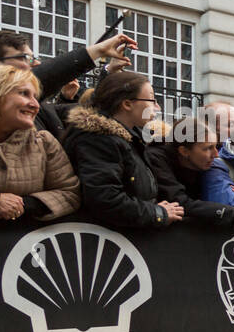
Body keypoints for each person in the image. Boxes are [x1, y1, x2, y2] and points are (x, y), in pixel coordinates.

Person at [67, 71, 184, 228]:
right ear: (127, 104)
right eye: (151, 100)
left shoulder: (129, 138)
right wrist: (157, 213)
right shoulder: (99, 140)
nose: (157, 107)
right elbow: (105, 200)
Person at [0, 29, 137, 140]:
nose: (36, 63)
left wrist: (109, 72)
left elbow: (88, 112)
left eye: (34, 58)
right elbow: (43, 77)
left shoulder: (42, 111)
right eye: (26, 58)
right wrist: (97, 50)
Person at [0, 65, 80, 223]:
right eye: (24, 94)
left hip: (21, 245)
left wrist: (23, 205)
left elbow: (70, 194)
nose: (35, 105)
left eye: (35, 97)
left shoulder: (43, 142)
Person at [146, 117, 234, 236]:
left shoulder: (203, 163)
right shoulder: (156, 159)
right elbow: (179, 203)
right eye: (208, 148)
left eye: (215, 146)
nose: (216, 154)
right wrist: (232, 213)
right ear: (184, 151)